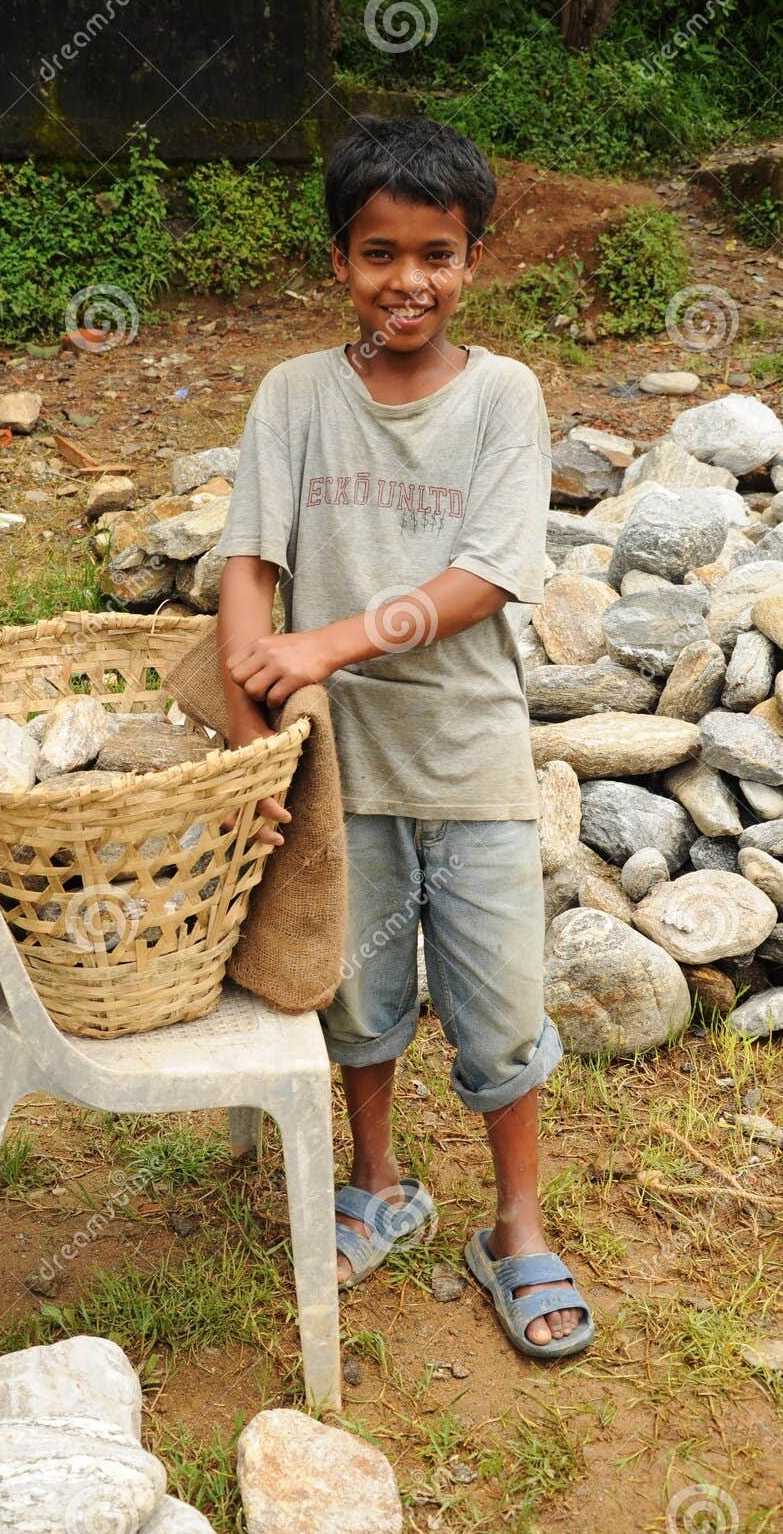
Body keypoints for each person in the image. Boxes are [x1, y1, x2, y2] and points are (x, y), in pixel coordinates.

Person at [213, 115, 593, 1359]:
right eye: (381, 253)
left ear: (472, 259)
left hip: (472, 756)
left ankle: (517, 1225)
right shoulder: (293, 398)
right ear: (339, 262)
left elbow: (487, 574)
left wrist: (320, 647)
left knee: (498, 1007)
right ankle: (377, 1181)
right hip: (338, 769)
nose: (408, 282)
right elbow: (249, 570)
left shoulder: (502, 397)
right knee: (358, 992)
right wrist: (251, 749)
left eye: (436, 252)